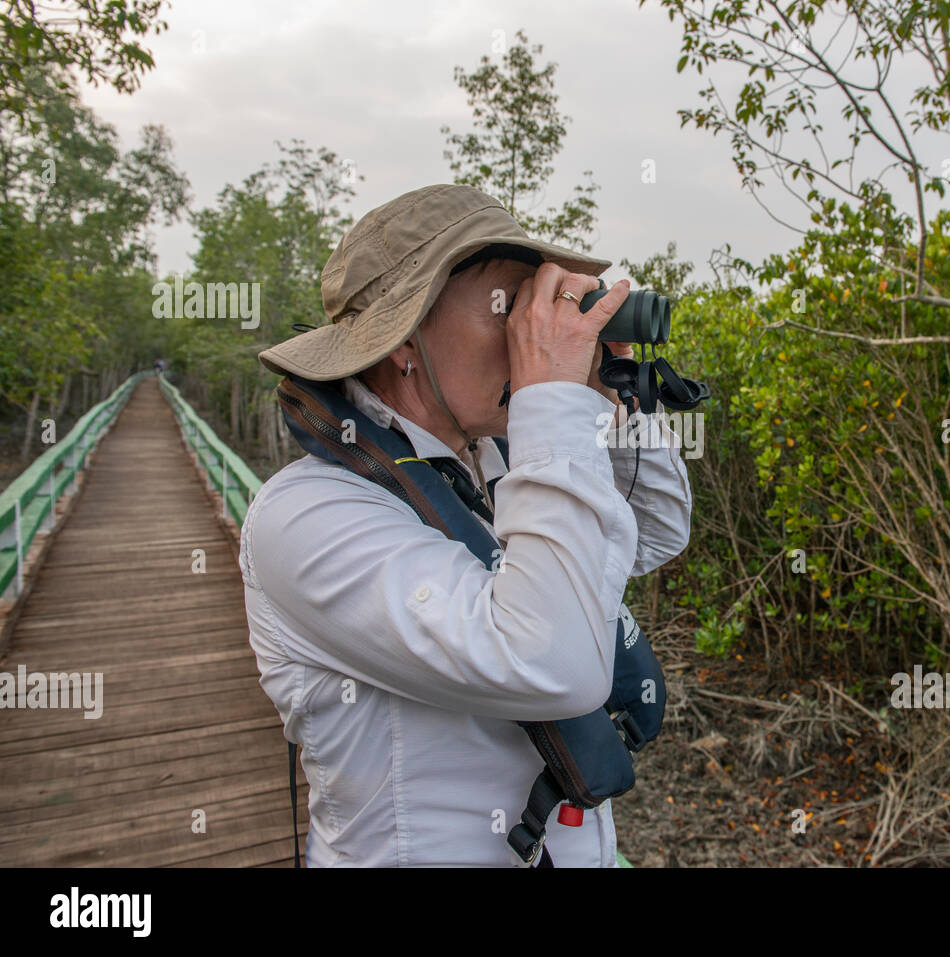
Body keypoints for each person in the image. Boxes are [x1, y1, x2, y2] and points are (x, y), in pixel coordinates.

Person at [240, 184, 693, 866]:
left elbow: (656, 530)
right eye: (508, 308)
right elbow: (546, 662)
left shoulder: (501, 462)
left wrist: (605, 387)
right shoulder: (306, 516)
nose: (524, 337)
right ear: (404, 339)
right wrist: (550, 401)